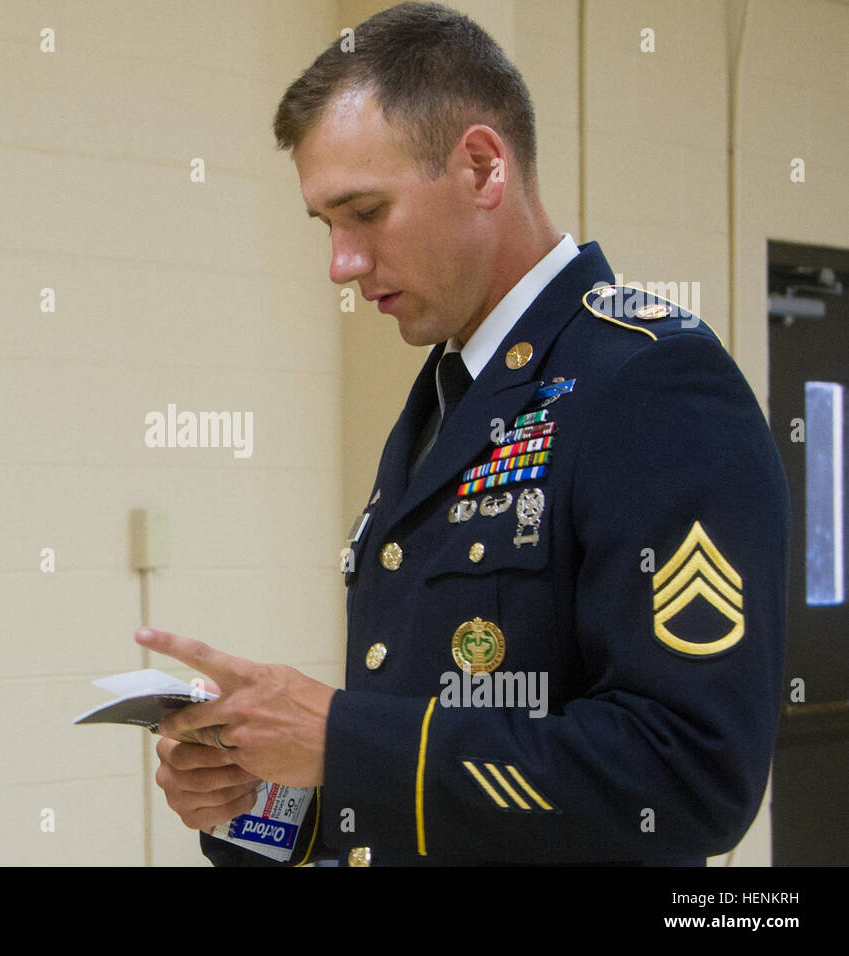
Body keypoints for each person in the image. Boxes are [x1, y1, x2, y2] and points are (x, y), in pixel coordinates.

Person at [136, 1, 789, 865]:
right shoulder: (449, 393)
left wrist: (342, 737)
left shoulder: (649, 380)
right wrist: (263, 799)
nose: (342, 262)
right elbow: (439, 778)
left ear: (483, 166)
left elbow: (689, 779)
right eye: (326, 225)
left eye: (365, 211)